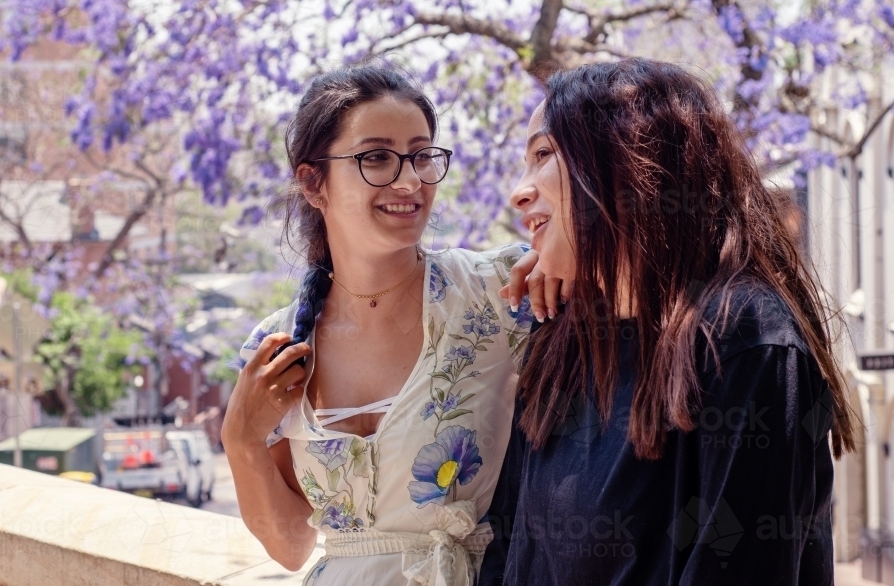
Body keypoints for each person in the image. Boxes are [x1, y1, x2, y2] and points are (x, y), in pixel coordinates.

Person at [480, 58, 859, 585]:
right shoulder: (561, 336)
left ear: (628, 162)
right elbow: (508, 550)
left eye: (543, 154)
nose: (519, 191)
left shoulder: (744, 340)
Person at [221, 63, 551, 586]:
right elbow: (289, 545)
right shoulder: (278, 345)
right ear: (313, 183)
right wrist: (240, 437)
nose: (410, 180)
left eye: (421, 156)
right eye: (376, 157)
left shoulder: (498, 290)